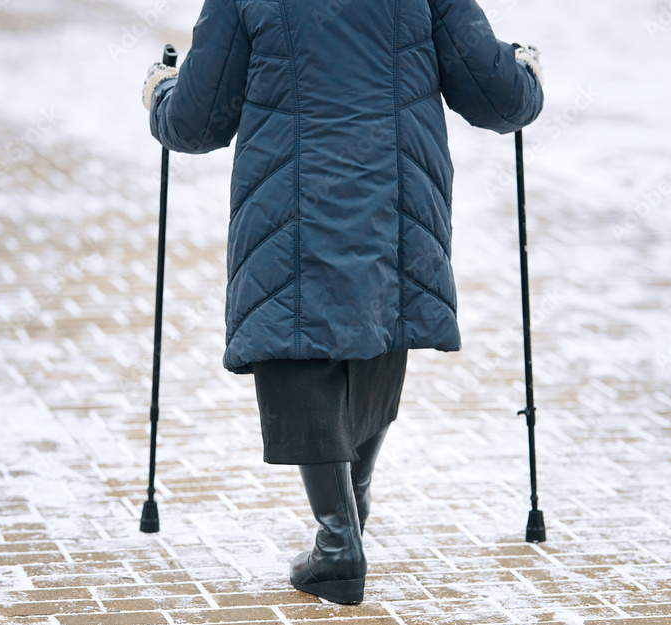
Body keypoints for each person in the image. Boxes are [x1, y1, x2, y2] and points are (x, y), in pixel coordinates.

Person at [141, 0, 543, 605]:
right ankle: (350, 505)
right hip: (397, 193)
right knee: (379, 318)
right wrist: (525, 71)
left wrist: (161, 92)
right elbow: (498, 99)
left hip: (288, 195)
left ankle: (338, 540)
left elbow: (198, 122)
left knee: (297, 338)